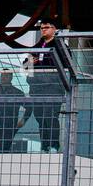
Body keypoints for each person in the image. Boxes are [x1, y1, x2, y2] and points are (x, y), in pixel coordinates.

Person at [25, 20, 63, 152]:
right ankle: (45, 145)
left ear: (54, 29)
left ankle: (54, 145)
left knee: (51, 116)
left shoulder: (60, 45)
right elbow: (25, 66)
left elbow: (66, 63)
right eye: (41, 28)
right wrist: (31, 63)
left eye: (46, 27)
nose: (43, 30)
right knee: (41, 118)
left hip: (52, 87)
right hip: (37, 88)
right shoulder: (37, 46)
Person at [0, 71, 26, 154]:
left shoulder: (17, 92)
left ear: (11, 78)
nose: (3, 78)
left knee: (5, 148)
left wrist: (23, 120)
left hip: (9, 124)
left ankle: (3, 165)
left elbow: (29, 107)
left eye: (6, 76)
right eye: (2, 76)